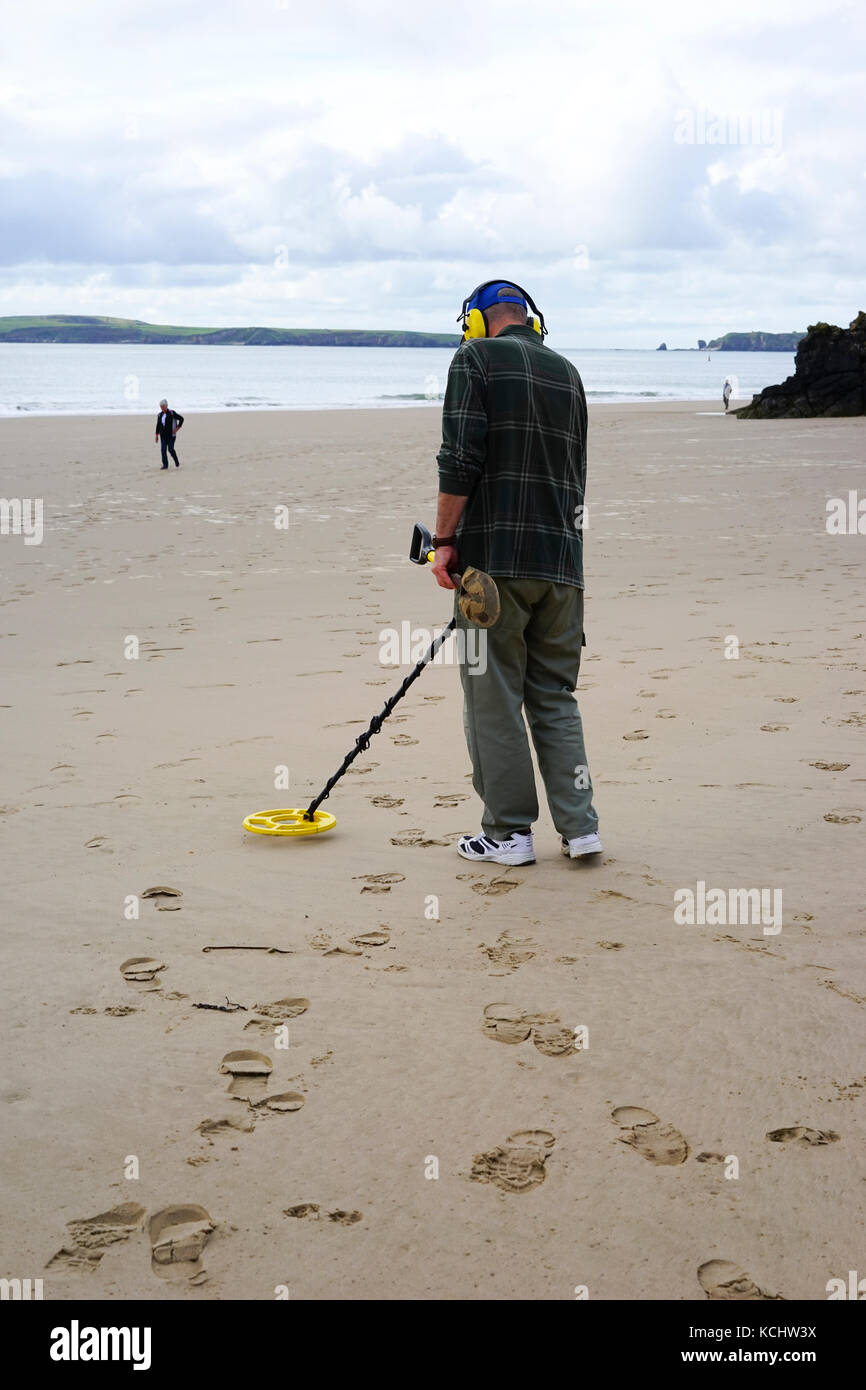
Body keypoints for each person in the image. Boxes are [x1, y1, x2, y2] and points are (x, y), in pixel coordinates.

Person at [432, 280, 600, 866]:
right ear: (530, 320)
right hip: (562, 566)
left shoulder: (473, 357)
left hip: (493, 568)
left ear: (475, 321)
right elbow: (575, 471)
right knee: (554, 696)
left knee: (492, 698)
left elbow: (460, 457)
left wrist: (444, 542)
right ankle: (581, 830)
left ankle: (508, 833)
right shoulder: (570, 373)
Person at [154, 399, 184, 467]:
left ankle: (176, 461)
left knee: (170, 449)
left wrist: (177, 428)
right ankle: (165, 465)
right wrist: (156, 435)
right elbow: (158, 425)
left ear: (166, 406)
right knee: (163, 450)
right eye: (161, 407)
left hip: (171, 435)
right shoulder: (159, 415)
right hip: (163, 436)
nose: (162, 408)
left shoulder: (172, 413)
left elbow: (181, 419)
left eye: (163, 406)